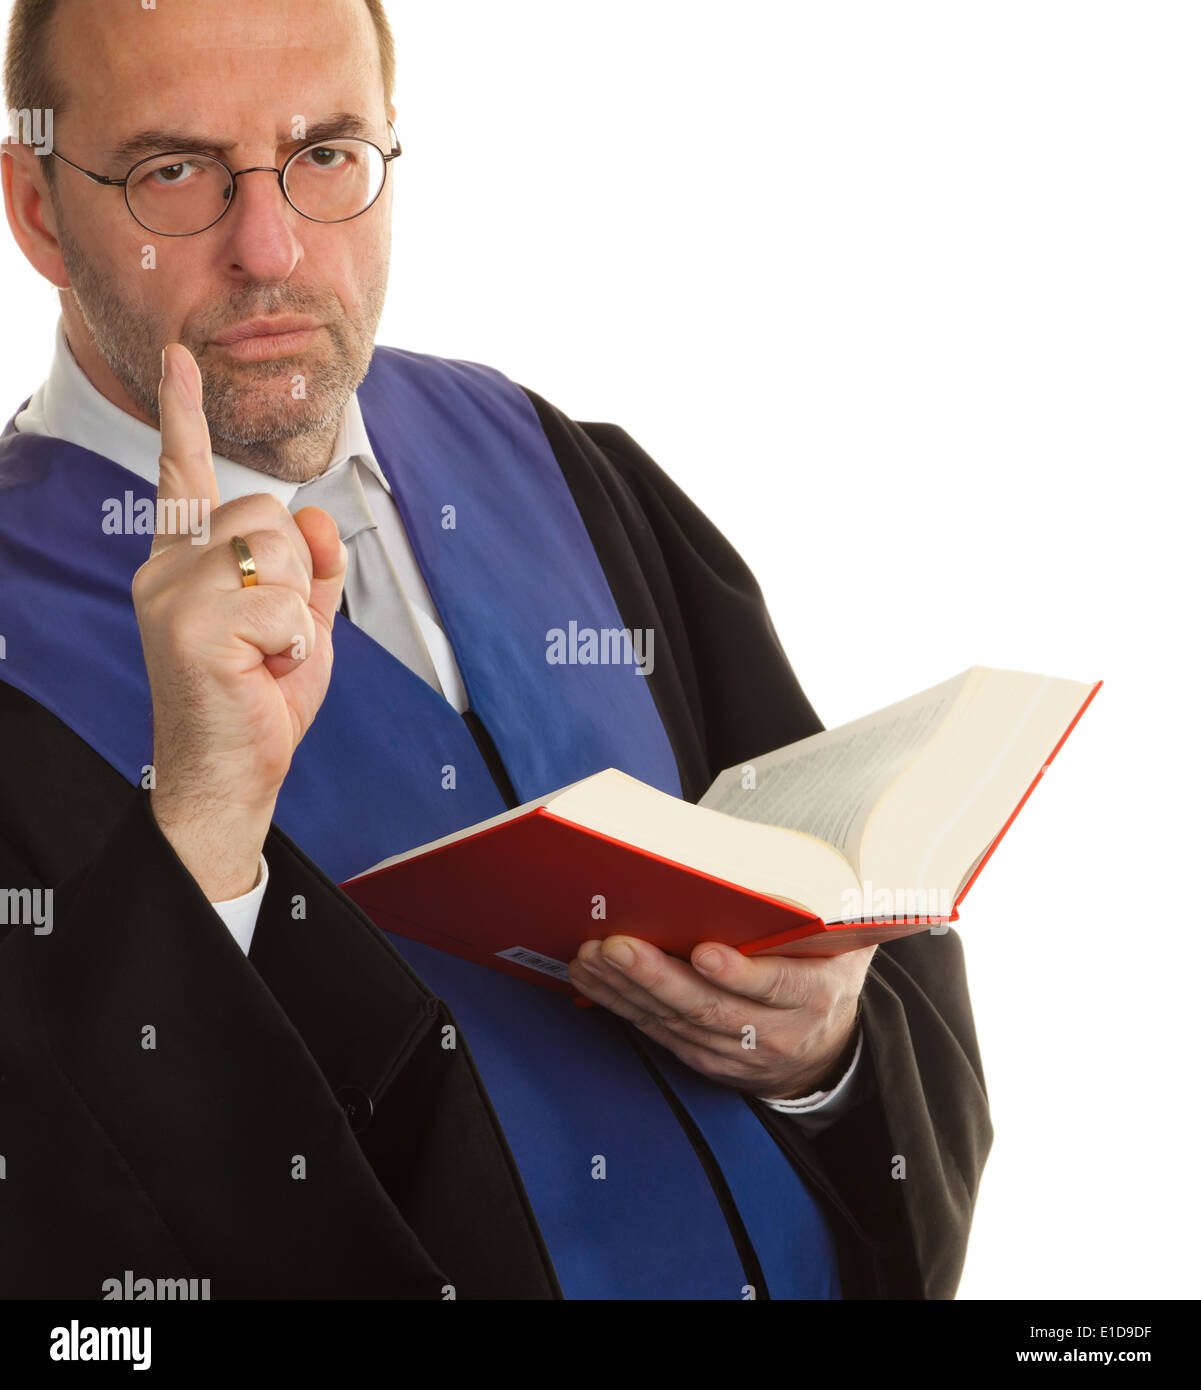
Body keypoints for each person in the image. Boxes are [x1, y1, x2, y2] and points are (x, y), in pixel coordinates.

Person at [0, 0, 991, 1299]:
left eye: (326, 154)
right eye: (173, 170)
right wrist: (193, 837)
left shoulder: (553, 466)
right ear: (36, 207)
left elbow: (833, 914)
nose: (271, 244)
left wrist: (821, 1051)